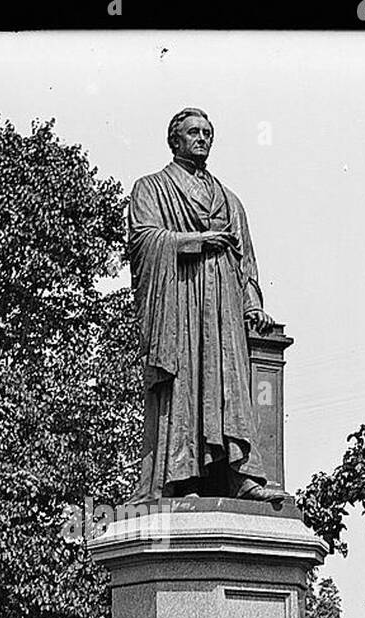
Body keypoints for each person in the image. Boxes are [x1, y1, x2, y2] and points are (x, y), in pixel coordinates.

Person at [127, 107, 286, 503]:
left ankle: (238, 474)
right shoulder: (152, 188)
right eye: (193, 132)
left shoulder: (230, 200)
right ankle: (183, 478)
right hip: (180, 306)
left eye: (208, 133)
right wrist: (196, 242)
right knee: (187, 385)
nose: (202, 138)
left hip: (224, 311)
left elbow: (245, 259)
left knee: (228, 386)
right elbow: (144, 240)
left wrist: (251, 304)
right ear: (174, 140)